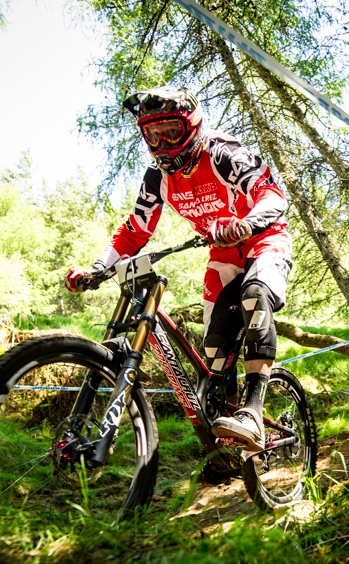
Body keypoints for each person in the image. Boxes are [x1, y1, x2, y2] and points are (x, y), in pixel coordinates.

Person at [64, 86, 293, 452]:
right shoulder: (157, 178)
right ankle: (223, 449)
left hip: (264, 238)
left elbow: (273, 196)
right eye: (153, 135)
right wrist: (96, 269)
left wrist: (247, 223)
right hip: (223, 251)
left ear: (192, 126)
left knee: (253, 295)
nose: (164, 143)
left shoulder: (223, 153)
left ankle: (253, 410)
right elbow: (134, 230)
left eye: (171, 131)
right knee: (215, 351)